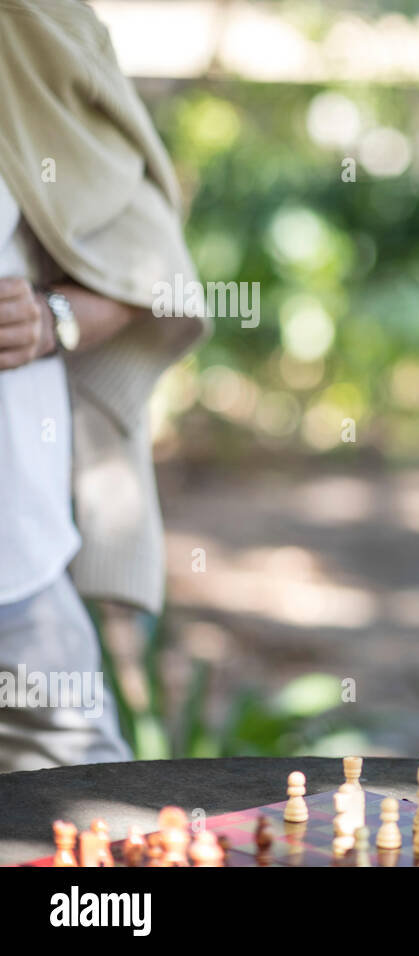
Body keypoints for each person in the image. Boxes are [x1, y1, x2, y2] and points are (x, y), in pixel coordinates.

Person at [0, 0, 209, 771]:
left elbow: (150, 255)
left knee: (94, 829)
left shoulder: (24, 30)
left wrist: (53, 318)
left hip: (15, 577)